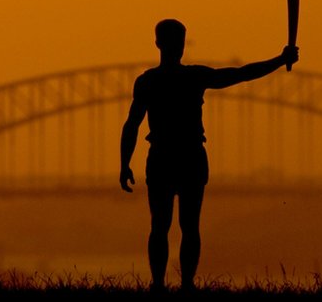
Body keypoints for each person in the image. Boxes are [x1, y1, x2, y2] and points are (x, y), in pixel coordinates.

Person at [119, 19, 299, 292]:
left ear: (157, 43)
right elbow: (242, 74)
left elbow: (132, 124)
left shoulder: (148, 81)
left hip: (162, 158)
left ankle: (158, 285)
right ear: (178, 44)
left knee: (160, 225)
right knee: (189, 226)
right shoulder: (194, 77)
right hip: (190, 156)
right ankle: (186, 285)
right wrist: (280, 59)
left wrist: (125, 164)